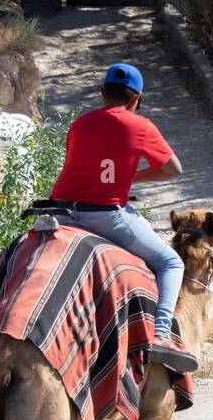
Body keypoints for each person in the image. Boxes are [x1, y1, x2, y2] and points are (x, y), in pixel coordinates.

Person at [47, 62, 197, 373]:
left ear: (103, 93)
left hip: (59, 211)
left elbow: (84, 168)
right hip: (104, 215)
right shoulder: (141, 126)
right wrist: (132, 179)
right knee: (171, 263)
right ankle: (161, 335)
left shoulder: (79, 124)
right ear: (137, 99)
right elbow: (174, 169)